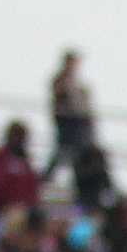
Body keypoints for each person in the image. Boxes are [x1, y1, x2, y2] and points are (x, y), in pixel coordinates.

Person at [44, 51, 96, 187]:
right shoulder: (61, 80)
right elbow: (62, 99)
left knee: (76, 153)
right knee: (64, 151)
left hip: (78, 122)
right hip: (67, 122)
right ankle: (46, 178)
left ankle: (78, 181)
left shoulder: (75, 81)